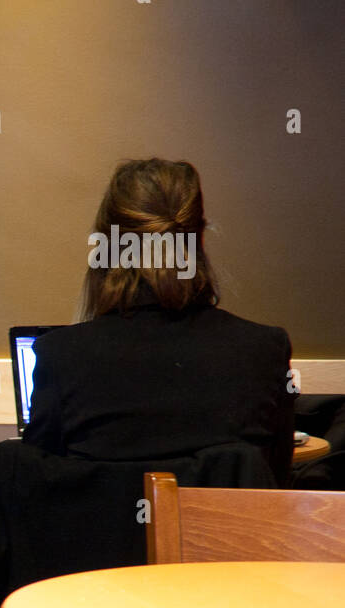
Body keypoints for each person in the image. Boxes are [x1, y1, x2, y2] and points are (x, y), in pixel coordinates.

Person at [23, 158, 296, 484]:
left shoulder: (60, 355)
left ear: (106, 247)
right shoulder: (264, 351)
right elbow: (274, 483)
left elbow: (38, 490)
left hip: (100, 536)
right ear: (200, 241)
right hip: (221, 536)